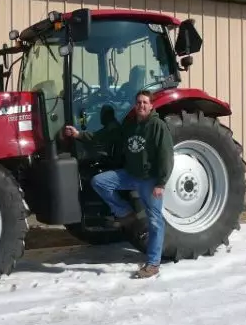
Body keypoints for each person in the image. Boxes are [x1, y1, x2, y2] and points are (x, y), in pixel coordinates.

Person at [65, 90, 174, 279]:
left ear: (151, 106)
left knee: (155, 221)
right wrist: (79, 135)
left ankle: (153, 263)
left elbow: (166, 156)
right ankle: (125, 213)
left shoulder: (158, 126)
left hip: (149, 180)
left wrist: (161, 183)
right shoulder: (130, 126)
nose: (141, 105)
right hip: (130, 175)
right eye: (138, 102)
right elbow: (105, 137)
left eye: (145, 103)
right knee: (100, 182)